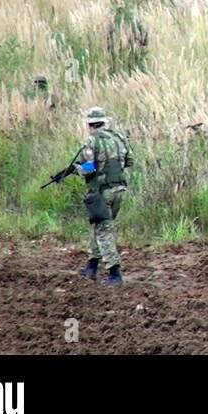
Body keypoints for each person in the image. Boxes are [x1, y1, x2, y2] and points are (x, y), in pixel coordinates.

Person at [76, 107, 134, 287]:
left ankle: (114, 273)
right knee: (100, 225)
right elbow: (129, 161)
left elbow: (89, 169)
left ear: (90, 125)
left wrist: (78, 170)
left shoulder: (92, 142)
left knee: (104, 230)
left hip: (102, 192)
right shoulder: (119, 138)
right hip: (120, 190)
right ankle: (91, 267)